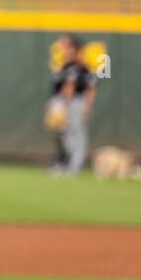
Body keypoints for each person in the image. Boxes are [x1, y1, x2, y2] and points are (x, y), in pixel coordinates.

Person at [47, 35, 97, 175]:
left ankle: (75, 165)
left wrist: (87, 107)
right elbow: (61, 87)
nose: (65, 50)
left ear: (76, 50)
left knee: (77, 132)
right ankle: (66, 162)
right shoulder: (65, 66)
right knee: (66, 133)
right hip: (65, 102)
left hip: (76, 102)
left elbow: (87, 89)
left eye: (67, 47)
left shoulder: (82, 68)